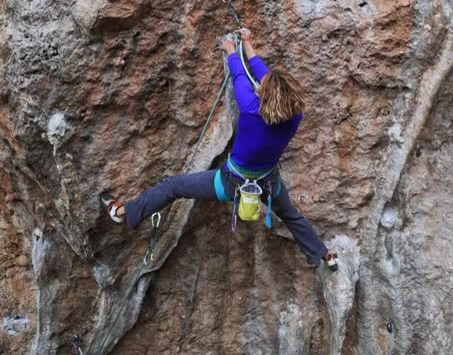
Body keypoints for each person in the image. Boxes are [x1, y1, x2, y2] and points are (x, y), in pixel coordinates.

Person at [101, 28, 338, 271]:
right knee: (291, 216)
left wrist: (231, 50)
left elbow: (240, 77)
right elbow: (268, 80)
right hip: (268, 184)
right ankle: (325, 255)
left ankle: (123, 213)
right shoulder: (294, 116)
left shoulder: (250, 109)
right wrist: (248, 44)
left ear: (264, 96)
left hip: (230, 184)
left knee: (173, 187)